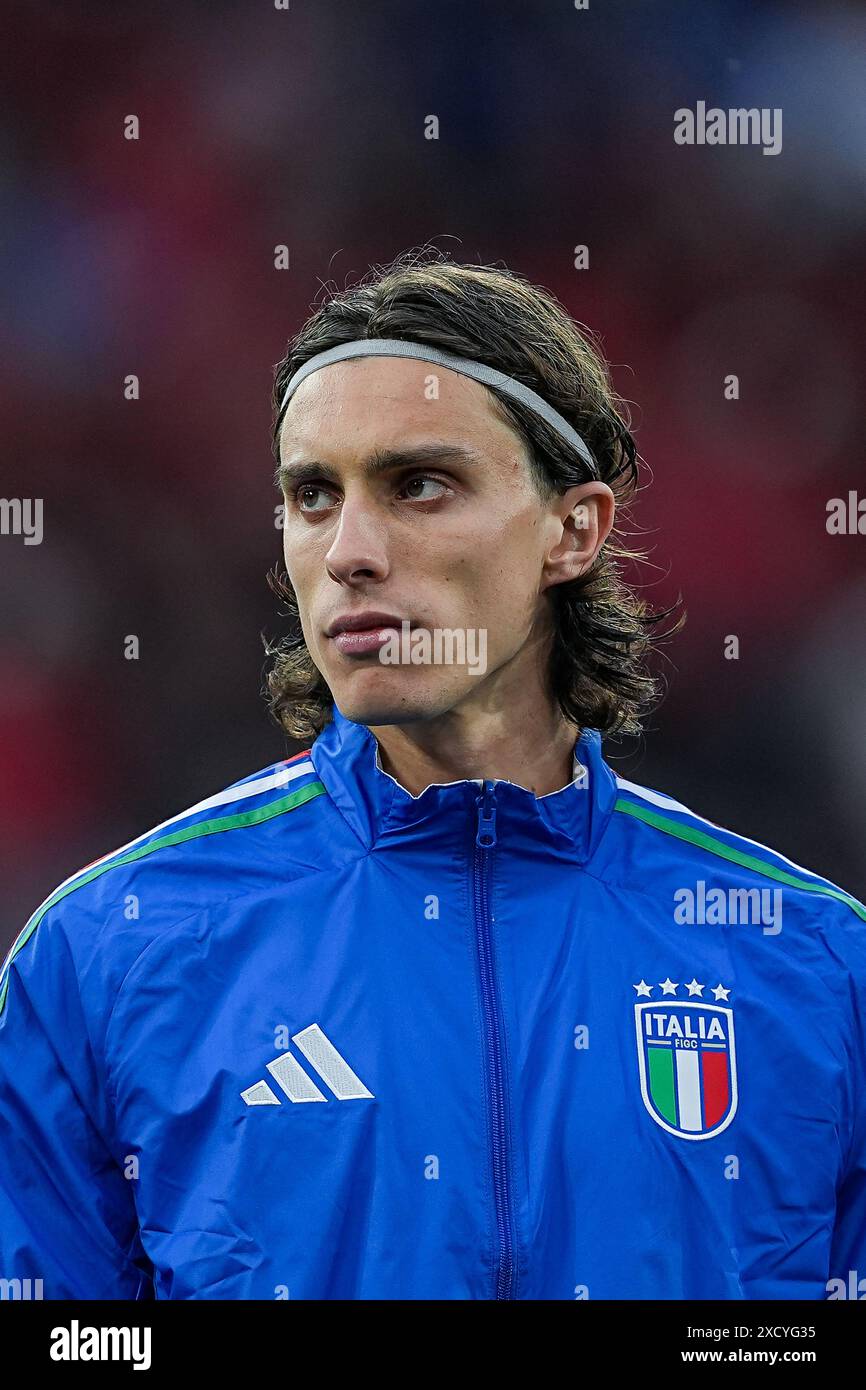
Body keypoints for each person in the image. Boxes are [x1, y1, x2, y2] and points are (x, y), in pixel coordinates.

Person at [1, 251, 864, 1301]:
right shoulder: (108, 951)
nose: (350, 549)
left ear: (571, 529)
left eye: (418, 484)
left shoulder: (809, 960)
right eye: (312, 495)